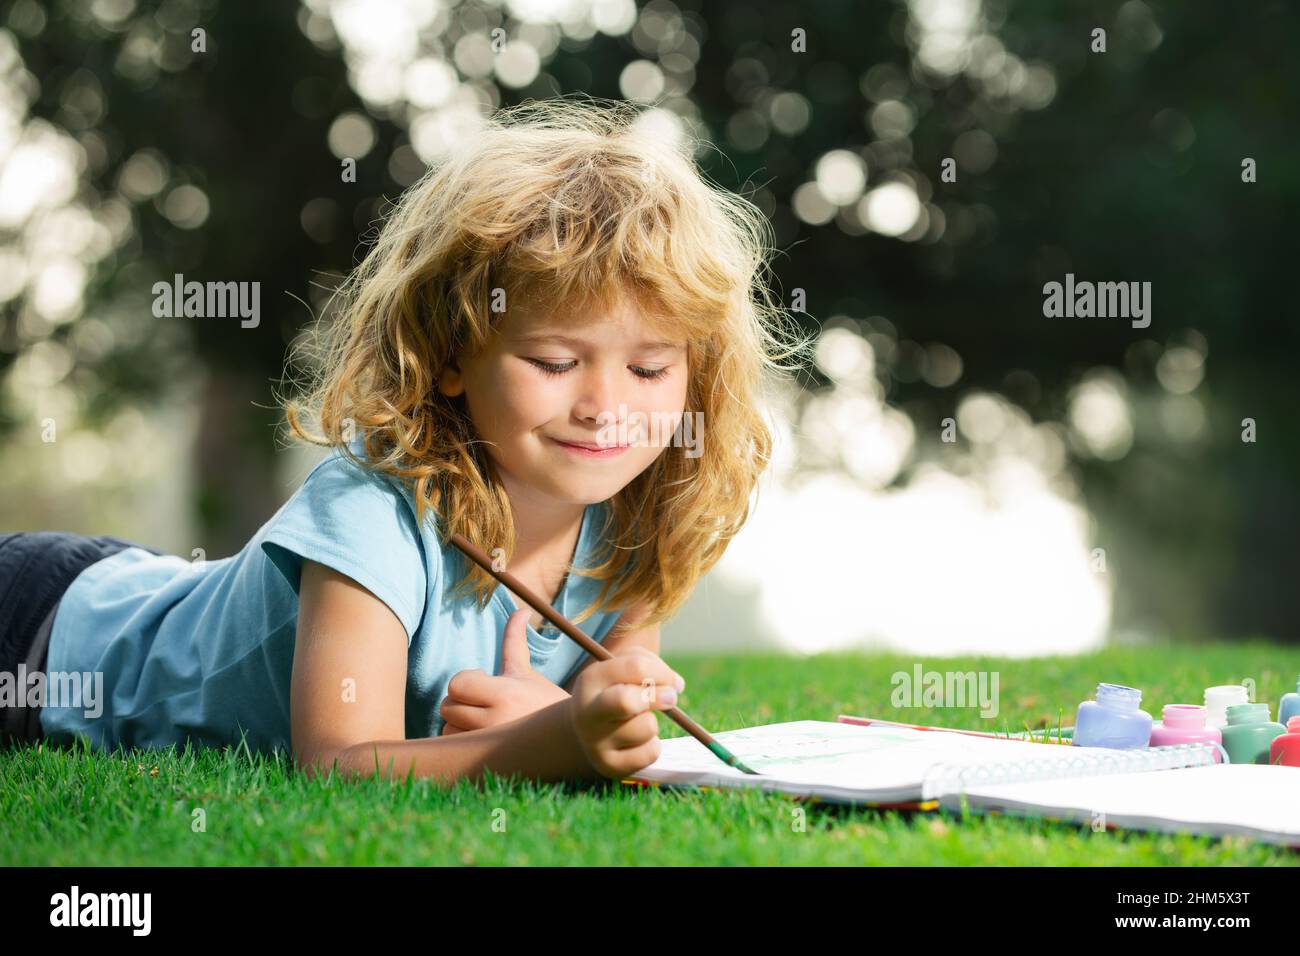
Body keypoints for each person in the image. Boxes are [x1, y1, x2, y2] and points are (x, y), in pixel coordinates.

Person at [0, 98, 810, 784]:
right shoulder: (375, 506)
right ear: (452, 355)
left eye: (648, 368)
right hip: (42, 634)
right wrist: (551, 742)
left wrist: (588, 719)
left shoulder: (631, 520)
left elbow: (607, 704)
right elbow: (341, 761)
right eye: (555, 361)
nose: (605, 406)